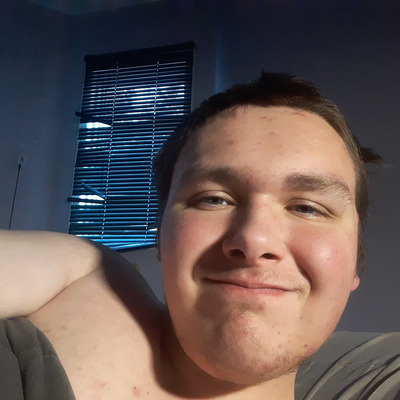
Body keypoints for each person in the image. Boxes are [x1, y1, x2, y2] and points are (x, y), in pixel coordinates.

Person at [1, 72, 396, 400]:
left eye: (307, 208)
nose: (254, 240)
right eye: (213, 199)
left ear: (355, 263)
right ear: (161, 235)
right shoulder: (74, 282)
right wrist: (80, 259)